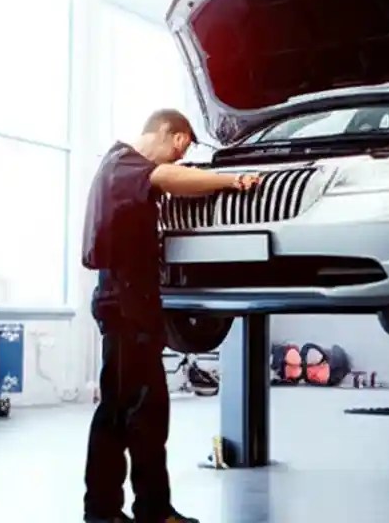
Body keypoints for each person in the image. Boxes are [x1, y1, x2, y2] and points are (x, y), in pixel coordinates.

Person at [81, 108, 261, 523]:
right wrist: (230, 180)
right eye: (180, 153)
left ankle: (153, 510)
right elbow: (166, 179)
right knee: (118, 412)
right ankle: (103, 512)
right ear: (177, 139)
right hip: (125, 307)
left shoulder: (118, 168)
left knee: (148, 414)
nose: (178, 162)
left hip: (134, 307)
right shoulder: (123, 162)